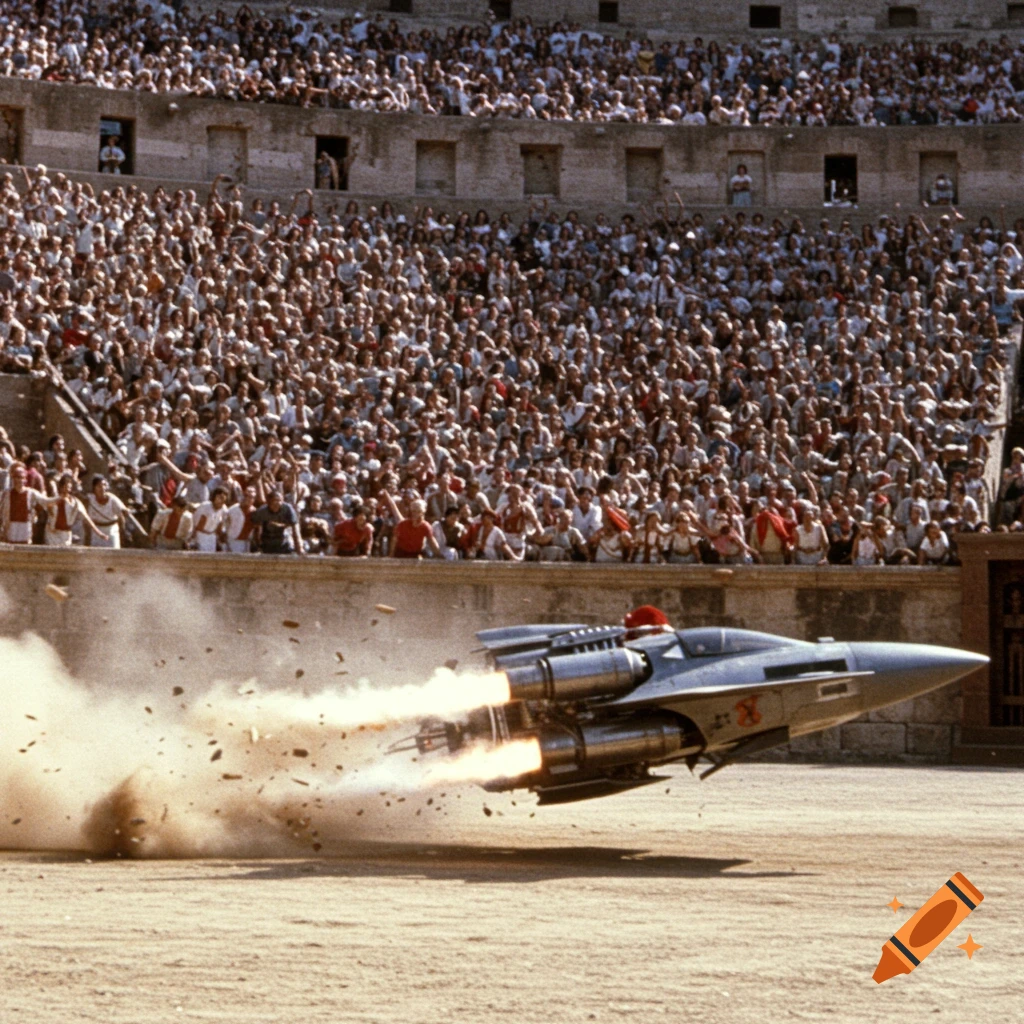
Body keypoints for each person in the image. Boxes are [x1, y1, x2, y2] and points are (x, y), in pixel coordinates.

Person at [0, 462, 60, 544]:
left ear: (25, 480)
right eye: (17, 477)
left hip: (25, 528)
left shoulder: (31, 493)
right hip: (11, 527)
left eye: (22, 478)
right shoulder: (6, 494)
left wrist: (60, 498)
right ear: (13, 478)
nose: (20, 480)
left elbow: (45, 501)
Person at [44, 473, 108, 547]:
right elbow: (46, 506)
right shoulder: (54, 500)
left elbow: (86, 518)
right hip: (52, 534)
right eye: (64, 487)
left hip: (65, 534)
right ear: (60, 487)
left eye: (68, 488)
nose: (66, 490)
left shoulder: (75, 502)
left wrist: (99, 533)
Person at [383, 492, 440, 558]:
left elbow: (432, 542)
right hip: (401, 552)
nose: (416, 514)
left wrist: (439, 554)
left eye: (418, 511)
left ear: (423, 512)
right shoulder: (402, 525)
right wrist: (391, 554)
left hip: (416, 553)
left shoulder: (426, 526)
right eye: (414, 511)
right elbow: (394, 540)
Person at [251, 490, 303, 555]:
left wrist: (299, 548)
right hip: (267, 542)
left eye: (280, 500)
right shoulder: (262, 512)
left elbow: (295, 529)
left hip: (284, 540)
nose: (277, 503)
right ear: (268, 502)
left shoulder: (288, 509)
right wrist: (258, 546)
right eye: (275, 500)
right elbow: (256, 530)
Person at [85, 475, 128, 549]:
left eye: (104, 485)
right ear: (94, 488)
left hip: (111, 531)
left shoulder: (112, 499)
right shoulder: (90, 500)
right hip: (97, 532)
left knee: (113, 555)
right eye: (99, 486)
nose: (102, 488)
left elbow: (121, 517)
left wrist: (122, 533)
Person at [191, 487, 229, 552]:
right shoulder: (205, 506)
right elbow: (197, 523)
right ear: (214, 497)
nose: (221, 500)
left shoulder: (224, 509)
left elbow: (220, 525)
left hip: (212, 536)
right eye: (219, 497)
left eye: (223, 498)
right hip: (201, 535)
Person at [224, 487, 257, 554]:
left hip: (247, 543)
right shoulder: (233, 510)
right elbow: (225, 525)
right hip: (234, 541)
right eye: (247, 496)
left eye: (252, 497)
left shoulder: (254, 511)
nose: (249, 499)